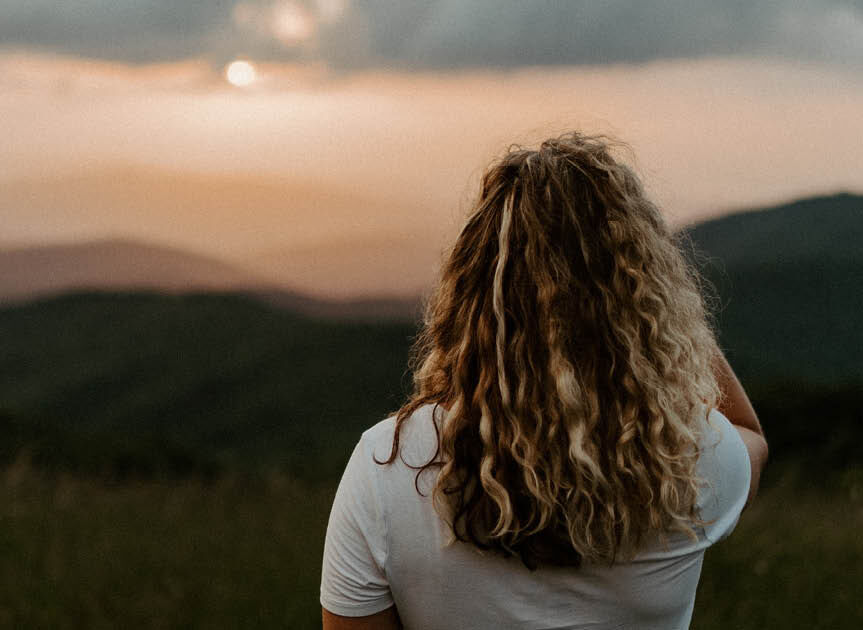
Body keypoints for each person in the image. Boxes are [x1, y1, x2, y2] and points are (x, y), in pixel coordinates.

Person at [319, 133, 768, 630]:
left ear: (470, 284)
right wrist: (671, 314)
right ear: (636, 291)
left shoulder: (386, 467)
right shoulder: (688, 460)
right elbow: (752, 438)